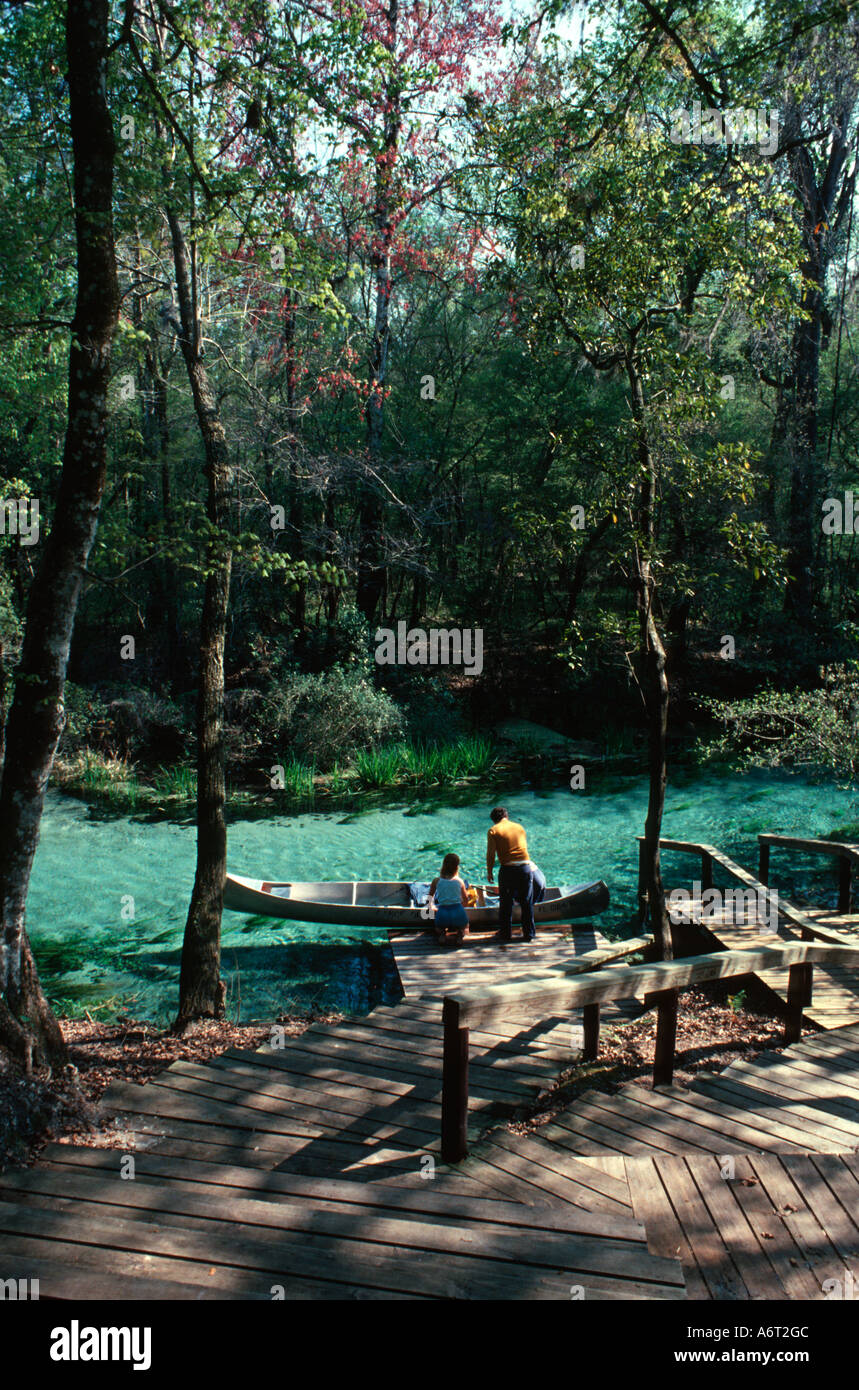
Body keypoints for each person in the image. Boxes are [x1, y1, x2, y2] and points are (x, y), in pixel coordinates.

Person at [486, 806, 537, 943]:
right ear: (506, 816)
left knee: (506, 903)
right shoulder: (519, 827)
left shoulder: (493, 830)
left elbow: (491, 854)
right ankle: (529, 934)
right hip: (525, 868)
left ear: (494, 820)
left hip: (508, 870)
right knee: (526, 902)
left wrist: (489, 871)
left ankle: (505, 934)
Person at [429, 852, 470, 946]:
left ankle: (442, 934)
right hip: (458, 912)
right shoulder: (460, 881)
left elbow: (430, 897)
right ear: (457, 867)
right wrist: (460, 907)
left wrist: (432, 906)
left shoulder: (436, 880)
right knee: (465, 925)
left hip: (443, 912)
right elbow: (466, 900)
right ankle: (460, 935)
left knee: (438, 927)